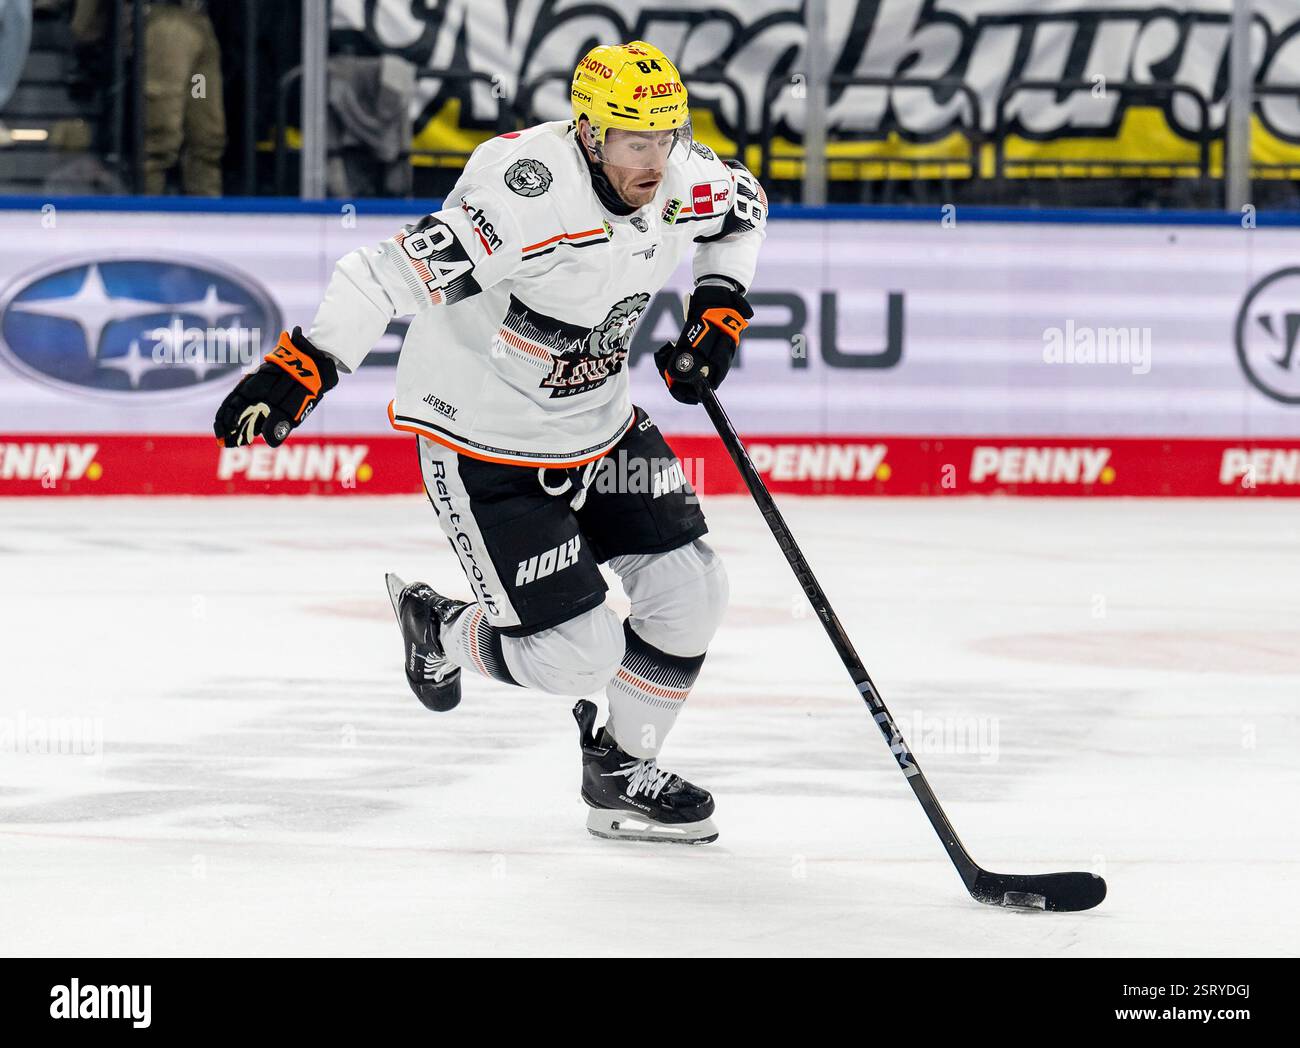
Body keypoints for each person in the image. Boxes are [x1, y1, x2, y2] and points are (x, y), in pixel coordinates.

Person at [213, 41, 767, 844]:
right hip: (483, 444)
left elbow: (742, 211)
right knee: (577, 657)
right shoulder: (520, 198)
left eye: (667, 135)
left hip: (600, 428)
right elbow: (382, 275)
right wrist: (305, 364)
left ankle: (619, 772)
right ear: (588, 131)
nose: (655, 159)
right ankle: (438, 626)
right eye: (633, 140)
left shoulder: (682, 175)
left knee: (693, 595)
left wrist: (719, 309)